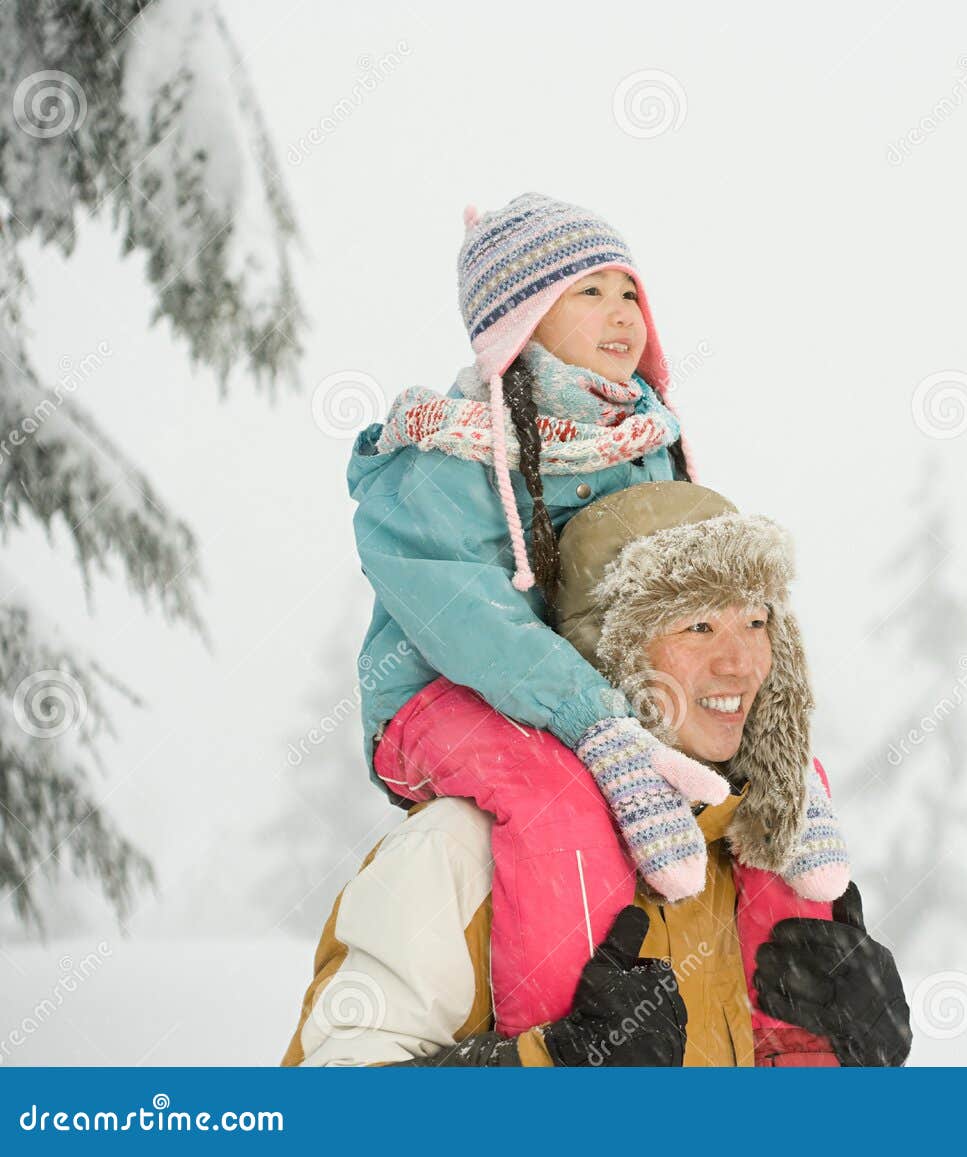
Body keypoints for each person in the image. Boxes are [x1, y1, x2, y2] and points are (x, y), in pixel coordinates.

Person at [347, 192, 850, 1034]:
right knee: (558, 796)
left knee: (778, 769)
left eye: (630, 292)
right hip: (445, 699)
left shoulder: (643, 435)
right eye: (589, 292)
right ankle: (584, 1039)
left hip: (590, 693)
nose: (622, 314)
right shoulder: (441, 456)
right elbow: (472, 623)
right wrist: (597, 722)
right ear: (521, 317)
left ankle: (803, 1039)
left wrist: (767, 709)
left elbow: (695, 587)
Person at [282, 483, 910, 1067]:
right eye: (698, 625)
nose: (742, 665)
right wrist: (543, 1068)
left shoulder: (750, 848)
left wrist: (854, 1060)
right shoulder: (460, 851)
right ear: (604, 651)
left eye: (756, 621)